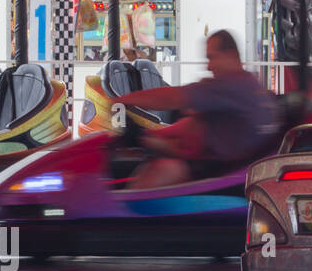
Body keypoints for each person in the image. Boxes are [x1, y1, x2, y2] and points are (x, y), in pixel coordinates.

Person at [115, 30, 281, 189]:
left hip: (221, 179)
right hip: (226, 169)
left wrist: (120, 100)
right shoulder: (250, 85)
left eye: (212, 57)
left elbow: (171, 98)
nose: (209, 67)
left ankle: (121, 215)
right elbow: (189, 128)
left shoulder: (230, 85)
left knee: (163, 169)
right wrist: (146, 137)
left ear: (231, 55)